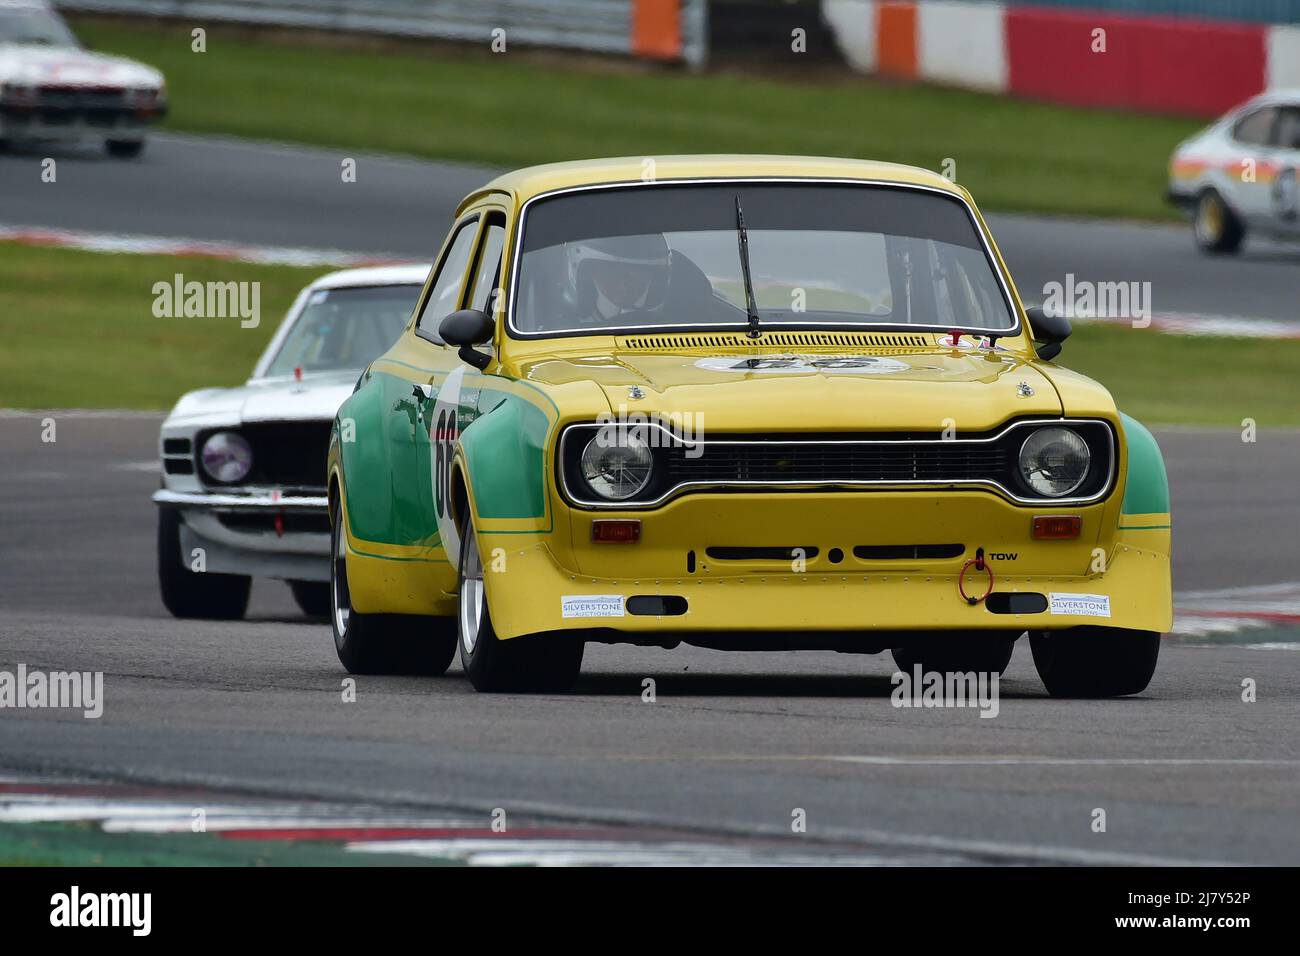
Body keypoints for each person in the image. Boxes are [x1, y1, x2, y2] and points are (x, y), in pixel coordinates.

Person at [562, 234, 672, 324]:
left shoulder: (681, 320)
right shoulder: (557, 329)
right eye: (611, 267)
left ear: (655, 274)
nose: (624, 281)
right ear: (587, 273)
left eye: (637, 268)